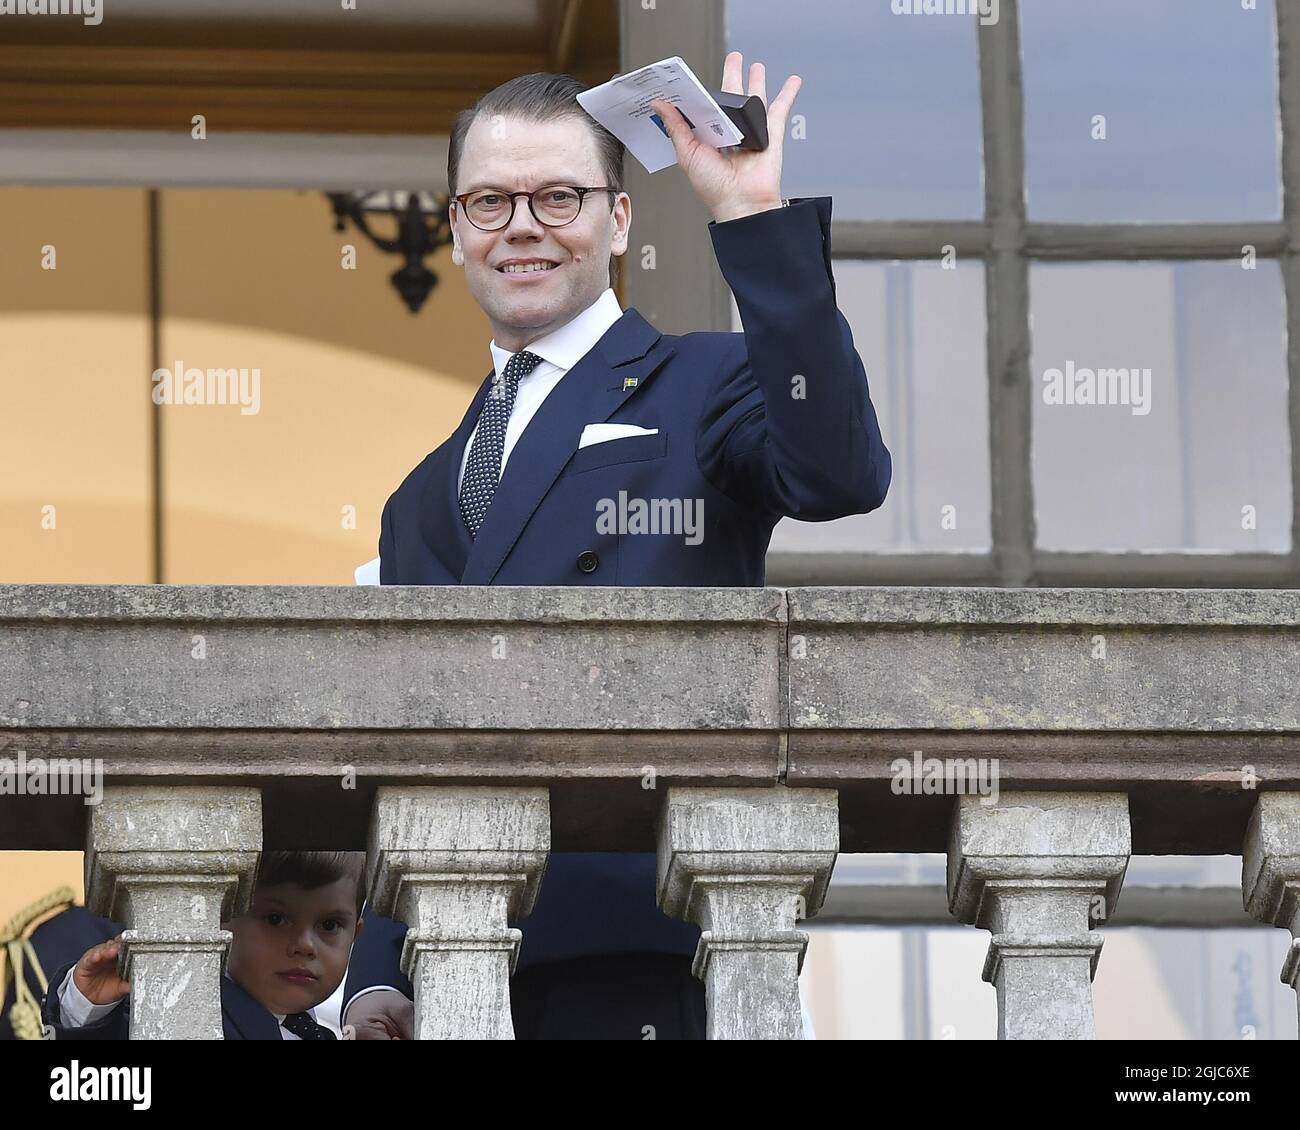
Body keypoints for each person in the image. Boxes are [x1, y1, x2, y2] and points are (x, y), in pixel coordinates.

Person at [358, 52, 892, 1040]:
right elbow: (404, 739)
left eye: (557, 196)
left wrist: (749, 219)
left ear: (619, 220)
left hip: (647, 943)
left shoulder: (702, 382)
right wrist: (373, 975)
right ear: (455, 230)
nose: (521, 225)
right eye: (488, 201)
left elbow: (839, 472)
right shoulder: (417, 497)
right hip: (453, 962)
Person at [42, 852, 368, 1040]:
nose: (304, 946)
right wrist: (84, 1006)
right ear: (220, 917)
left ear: (355, 933)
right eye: (275, 919)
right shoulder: (183, 1007)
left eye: (329, 925)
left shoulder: (326, 1031)